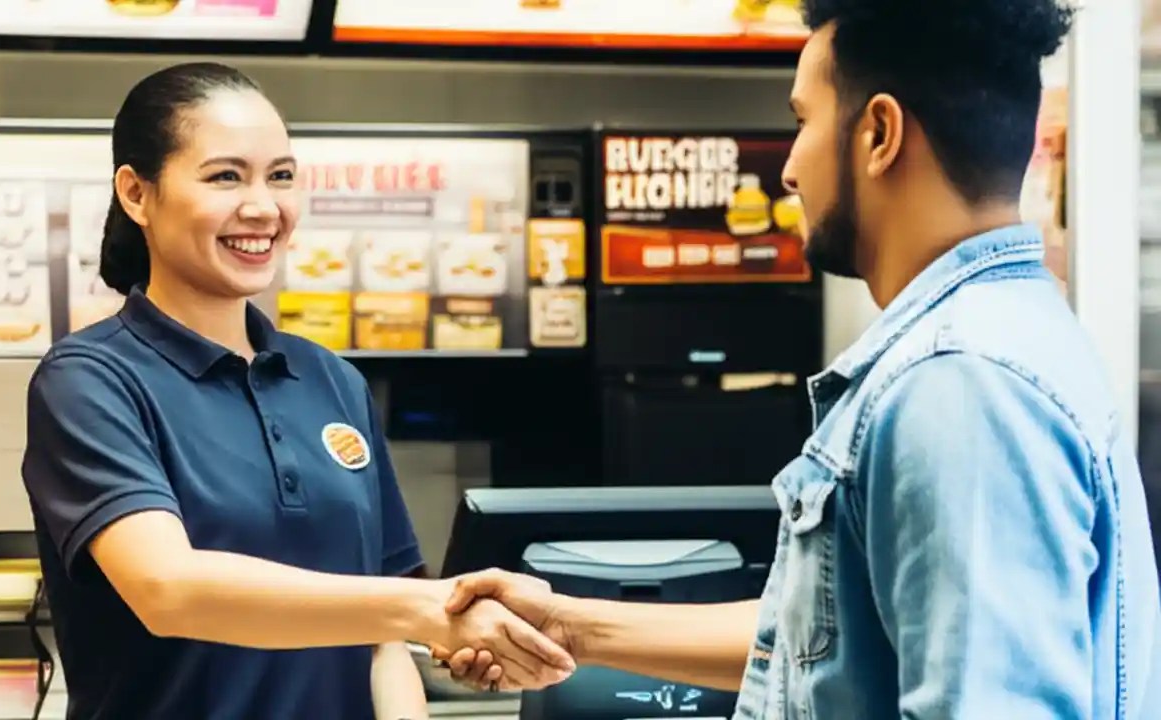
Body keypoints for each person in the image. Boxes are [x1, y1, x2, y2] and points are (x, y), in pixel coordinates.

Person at [439, 1, 1161, 718]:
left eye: (802, 121)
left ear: (878, 134)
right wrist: (568, 626)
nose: (788, 170)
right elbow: (832, 639)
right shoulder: (1004, 336)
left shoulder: (959, 384)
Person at [19, 62, 573, 720]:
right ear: (138, 194)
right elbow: (169, 590)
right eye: (226, 176)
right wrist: (433, 610)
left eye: (280, 175)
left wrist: (427, 624)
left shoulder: (332, 381)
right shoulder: (91, 379)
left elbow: (380, 645)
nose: (263, 206)